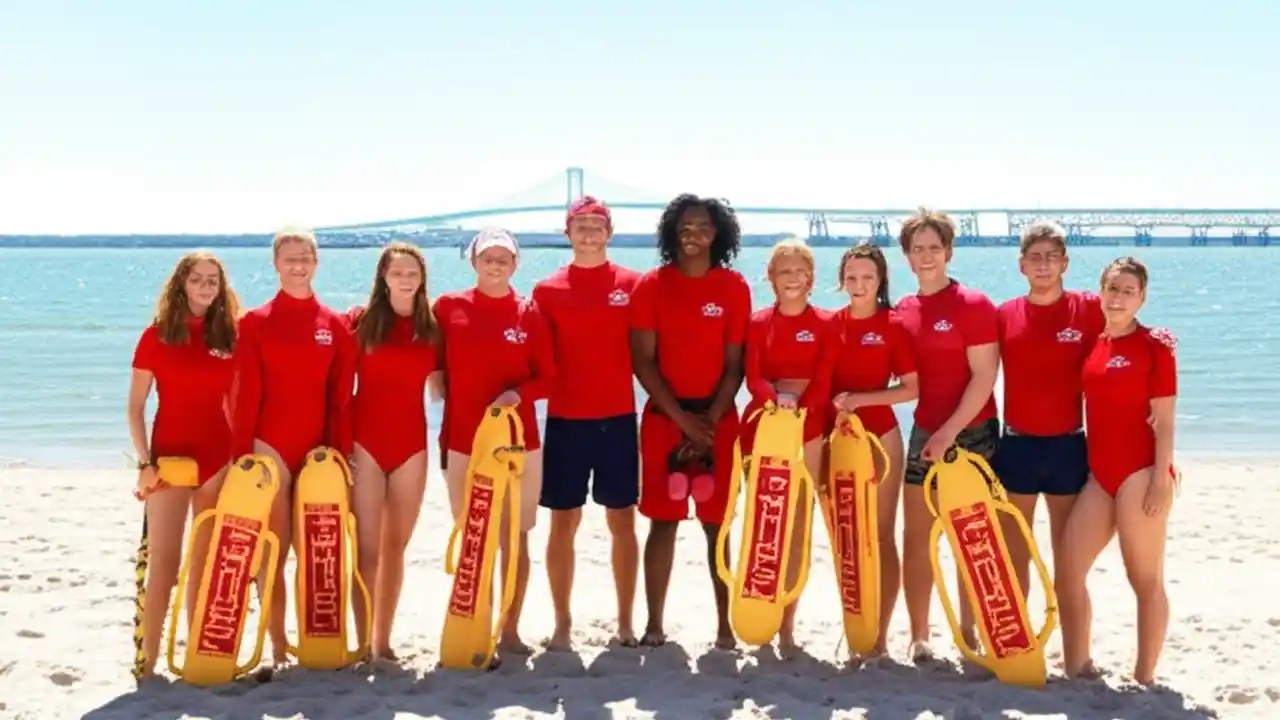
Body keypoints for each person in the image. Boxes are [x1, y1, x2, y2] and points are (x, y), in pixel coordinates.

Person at [231, 226, 358, 669]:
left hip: (318, 453)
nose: (298, 264)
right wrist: (240, 455)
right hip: (269, 445)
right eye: (289, 258)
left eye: (305, 256)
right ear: (275, 264)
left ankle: (317, 639)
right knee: (274, 549)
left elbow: (340, 397)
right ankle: (278, 644)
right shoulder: (255, 322)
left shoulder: (336, 324)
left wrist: (340, 454)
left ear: (317, 262)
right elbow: (245, 392)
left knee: (316, 553)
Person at [630, 193, 751, 649]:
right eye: (684, 227)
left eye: (701, 226)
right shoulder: (651, 286)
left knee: (718, 524)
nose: (692, 235)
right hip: (665, 417)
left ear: (717, 233)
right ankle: (654, 626)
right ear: (671, 233)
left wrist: (711, 419)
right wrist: (683, 420)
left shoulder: (734, 287)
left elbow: (735, 363)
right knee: (663, 521)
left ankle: (725, 628)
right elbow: (644, 362)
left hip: (718, 419)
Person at [432, 226, 556, 658]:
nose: (496, 264)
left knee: (515, 537)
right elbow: (419, 351)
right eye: (488, 257)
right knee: (473, 535)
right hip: (464, 440)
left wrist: (517, 394)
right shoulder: (449, 307)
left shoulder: (530, 314)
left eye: (504, 258)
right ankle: (475, 620)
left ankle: (510, 628)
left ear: (516, 264)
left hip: (518, 444)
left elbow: (549, 377)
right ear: (474, 262)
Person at [1056, 256, 1178, 685]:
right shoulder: (1094, 340)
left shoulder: (1155, 347)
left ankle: (1144, 677)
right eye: (1113, 288)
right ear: (1100, 292)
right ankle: (1078, 667)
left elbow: (1164, 420)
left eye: (1129, 290)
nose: (1119, 297)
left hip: (1141, 473)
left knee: (1143, 578)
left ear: (1142, 297)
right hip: (1099, 475)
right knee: (1068, 571)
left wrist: (1161, 480)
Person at [532, 197, 642, 650]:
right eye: (581, 226)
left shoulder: (634, 285)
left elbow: (656, 350)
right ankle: (562, 623)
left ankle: (625, 623)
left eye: (598, 225)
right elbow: (533, 359)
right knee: (563, 524)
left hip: (617, 419)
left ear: (610, 232)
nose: (590, 233)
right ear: (568, 233)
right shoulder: (547, 290)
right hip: (565, 420)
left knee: (623, 523)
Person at [893, 208, 1000, 662]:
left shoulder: (974, 305)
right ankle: (920, 635)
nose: (926, 255)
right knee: (917, 538)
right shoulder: (903, 309)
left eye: (934, 247)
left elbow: (984, 377)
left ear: (950, 252)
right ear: (906, 256)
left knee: (970, 538)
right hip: (923, 432)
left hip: (973, 433)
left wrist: (950, 433)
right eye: (917, 248)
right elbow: (902, 381)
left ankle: (971, 629)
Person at [127, 251, 240, 679]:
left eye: (213, 280)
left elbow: (237, 402)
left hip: (217, 459)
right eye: (198, 279)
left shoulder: (230, 335)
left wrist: (238, 457)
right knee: (164, 562)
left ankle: (199, 655)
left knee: (206, 562)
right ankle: (149, 662)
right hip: (169, 461)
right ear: (181, 284)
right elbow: (136, 407)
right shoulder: (156, 336)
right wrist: (144, 463)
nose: (206, 287)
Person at [993, 221, 1104, 597]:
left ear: (1065, 263)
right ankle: (1020, 642)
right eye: (1035, 258)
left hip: (1068, 446)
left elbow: (1127, 332)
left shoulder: (1088, 308)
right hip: (1017, 445)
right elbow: (975, 372)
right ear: (1021, 265)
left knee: (1067, 554)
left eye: (1051, 257)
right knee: (1014, 552)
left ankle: (1067, 641)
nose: (1043, 265)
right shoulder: (1004, 313)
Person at [738, 237, 835, 657]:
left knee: (797, 526)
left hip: (809, 430)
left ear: (811, 278)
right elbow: (753, 377)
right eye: (784, 271)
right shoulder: (759, 323)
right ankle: (761, 606)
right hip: (763, 430)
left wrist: (798, 405)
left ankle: (787, 623)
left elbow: (825, 380)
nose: (792, 278)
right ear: (771, 278)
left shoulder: (828, 323)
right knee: (764, 524)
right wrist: (775, 400)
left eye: (800, 271)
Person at [346, 242, 439, 662]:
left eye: (413, 273)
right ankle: (363, 642)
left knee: (395, 549)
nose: (405, 279)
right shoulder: (360, 324)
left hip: (411, 446)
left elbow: (444, 390)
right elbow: (333, 389)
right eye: (398, 272)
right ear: (383, 279)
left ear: (422, 280)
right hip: (364, 443)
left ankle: (383, 643)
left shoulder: (433, 329)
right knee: (365, 550)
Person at [827, 241, 919, 657]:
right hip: (839, 443)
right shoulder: (831, 324)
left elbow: (911, 388)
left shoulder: (894, 325)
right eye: (851, 277)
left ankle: (879, 638)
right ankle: (857, 625)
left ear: (881, 280)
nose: (859, 284)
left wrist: (861, 400)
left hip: (881, 439)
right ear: (841, 280)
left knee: (880, 537)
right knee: (848, 538)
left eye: (867, 277)